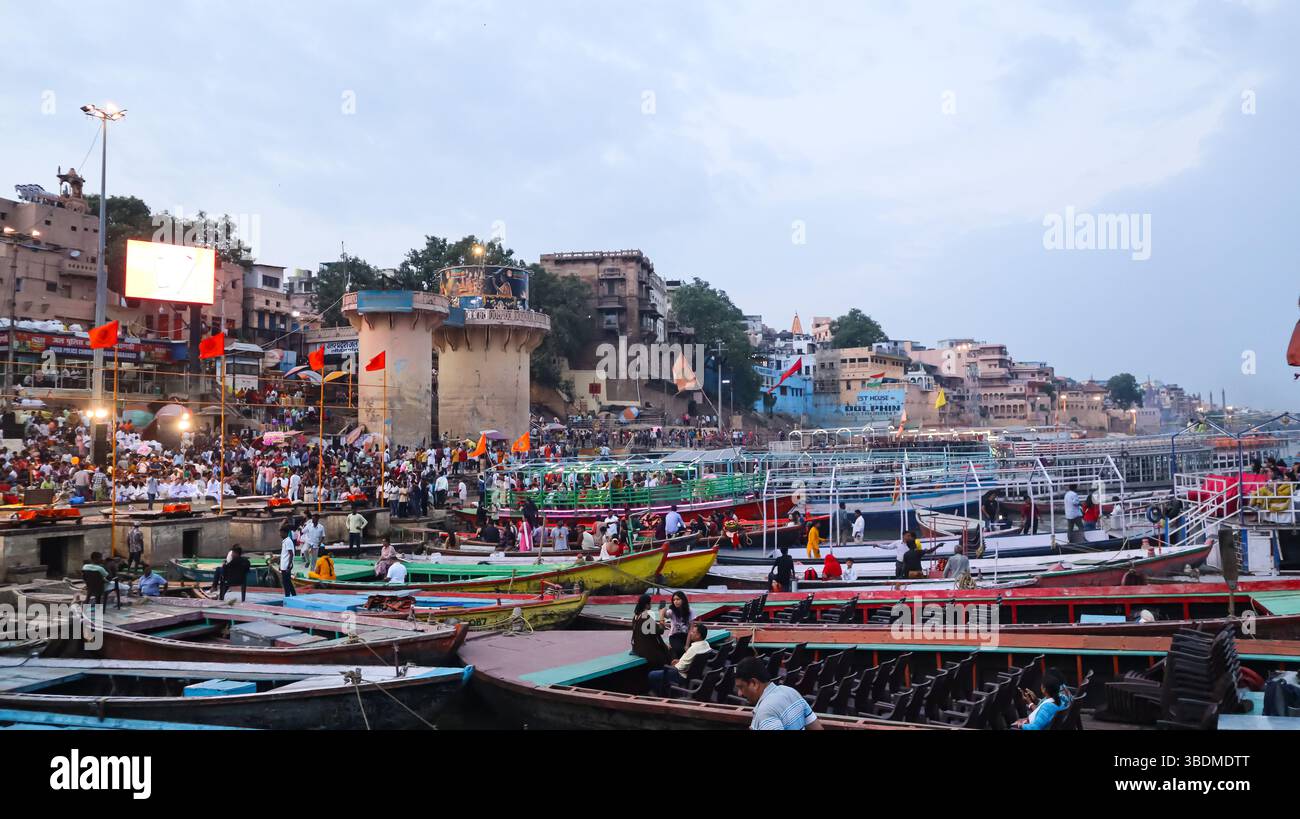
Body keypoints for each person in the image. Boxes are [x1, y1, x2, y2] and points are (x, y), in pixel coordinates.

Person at [734, 656, 822, 730]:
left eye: (741, 687)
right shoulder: (791, 692)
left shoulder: (765, 713)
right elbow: (817, 728)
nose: (739, 693)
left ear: (754, 683)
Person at [646, 622, 711, 697]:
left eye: (693, 632)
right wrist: (679, 661)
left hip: (681, 675)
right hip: (693, 673)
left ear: (698, 635)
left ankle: (662, 696)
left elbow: (680, 668)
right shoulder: (706, 645)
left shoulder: (693, 649)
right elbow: (689, 662)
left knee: (652, 674)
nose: (690, 634)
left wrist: (675, 665)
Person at [630, 593, 671, 666]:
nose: (651, 604)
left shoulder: (636, 616)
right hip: (647, 651)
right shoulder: (645, 616)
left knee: (665, 647)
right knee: (669, 653)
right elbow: (660, 631)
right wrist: (661, 616)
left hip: (638, 648)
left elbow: (652, 630)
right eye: (650, 602)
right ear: (646, 605)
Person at [661, 591, 692, 659]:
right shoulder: (671, 611)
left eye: (678, 599)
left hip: (686, 636)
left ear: (683, 600)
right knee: (680, 650)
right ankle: (679, 667)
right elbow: (663, 611)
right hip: (674, 636)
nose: (675, 601)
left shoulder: (690, 611)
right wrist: (662, 618)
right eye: (674, 600)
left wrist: (687, 645)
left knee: (691, 649)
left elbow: (690, 629)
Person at [278, 525, 298, 597]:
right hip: (284, 565)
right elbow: (284, 555)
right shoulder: (285, 541)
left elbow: (291, 554)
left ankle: (287, 596)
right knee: (288, 582)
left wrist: (289, 565)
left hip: (286, 565)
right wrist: (280, 565)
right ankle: (294, 595)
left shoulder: (288, 541)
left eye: (281, 533)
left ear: (285, 533)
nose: (280, 534)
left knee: (286, 583)